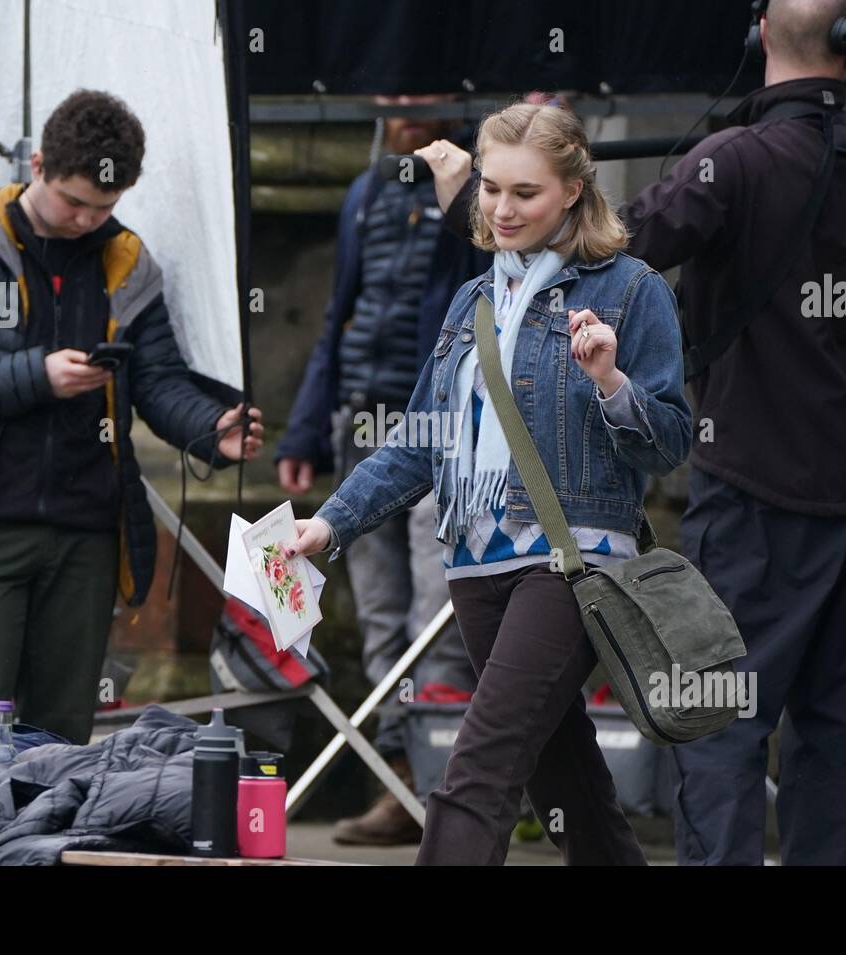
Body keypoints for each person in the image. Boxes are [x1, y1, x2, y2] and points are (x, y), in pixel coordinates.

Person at [426, 0, 846, 865]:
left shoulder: (730, 163)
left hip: (760, 489)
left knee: (719, 727)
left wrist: (479, 194)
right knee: (841, 750)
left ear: (759, 33)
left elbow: (604, 248)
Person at [284, 101, 692, 865]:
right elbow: (421, 441)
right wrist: (330, 522)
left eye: (525, 193)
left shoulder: (633, 290)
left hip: (572, 564)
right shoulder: (474, 300)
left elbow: (670, 443)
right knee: (566, 784)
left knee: (476, 772)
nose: (501, 210)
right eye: (491, 189)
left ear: (573, 189)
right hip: (474, 567)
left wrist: (611, 382)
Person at [0, 90, 263, 745]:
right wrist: (39, 376)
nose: (87, 221)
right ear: (37, 164)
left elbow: (158, 382)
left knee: (62, 735)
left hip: (88, 530)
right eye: (74, 202)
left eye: (106, 207)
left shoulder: (125, 259)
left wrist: (212, 430)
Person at [275, 94, 487, 845]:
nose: (400, 107)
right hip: (361, 424)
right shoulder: (365, 190)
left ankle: (451, 794)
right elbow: (339, 314)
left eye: (417, 91)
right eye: (390, 94)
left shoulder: (483, 184)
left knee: (443, 619)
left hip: (448, 430)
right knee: (380, 622)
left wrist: (462, 189)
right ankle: (402, 783)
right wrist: (304, 428)